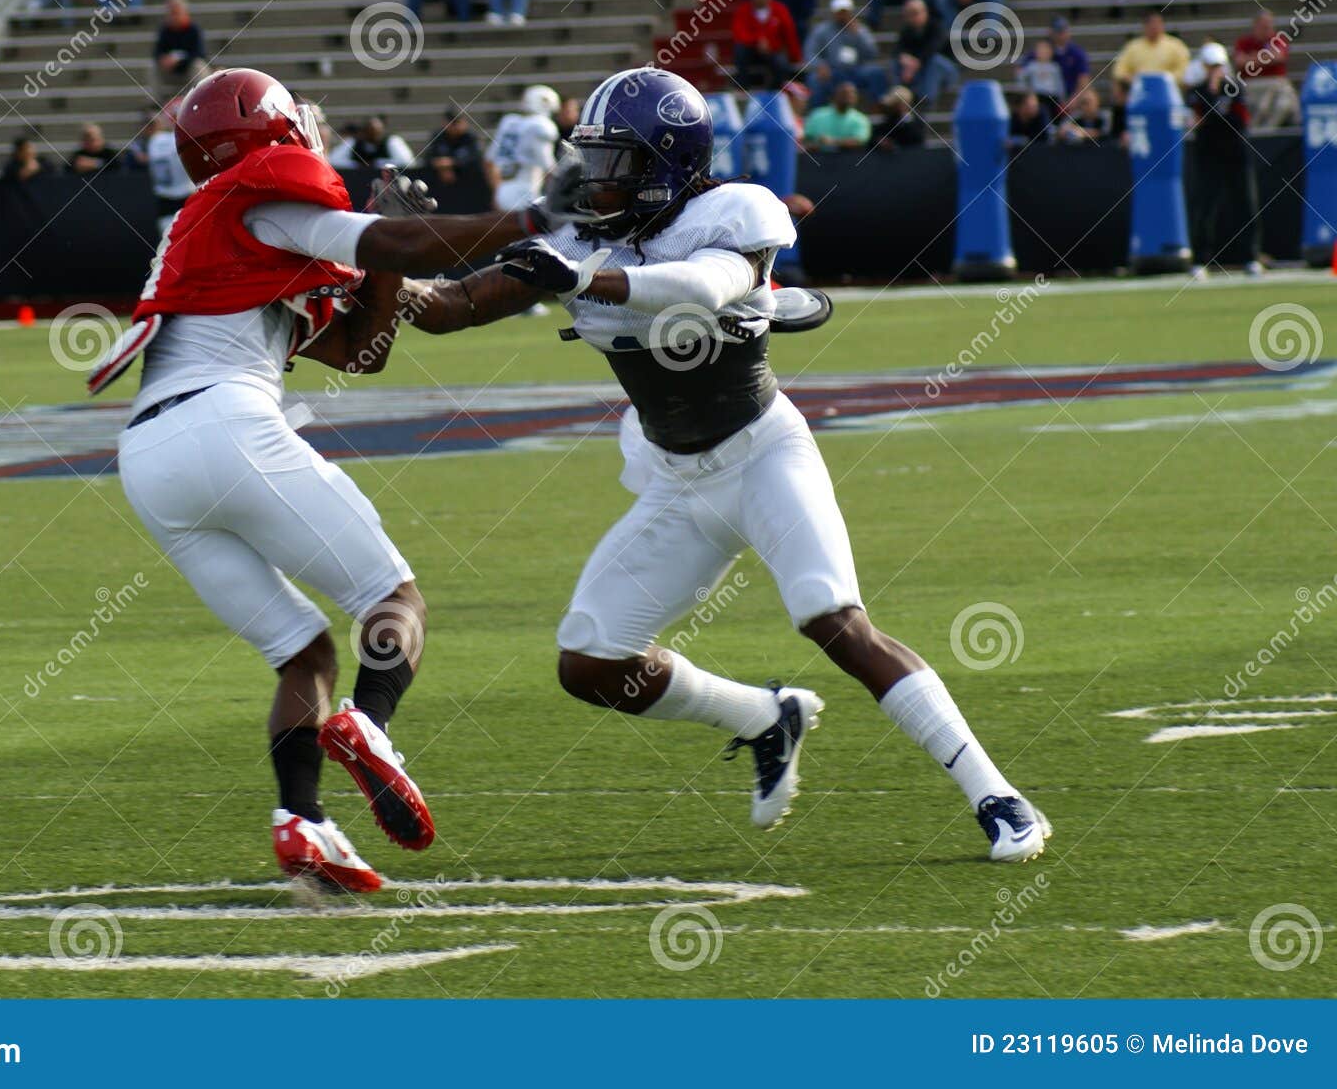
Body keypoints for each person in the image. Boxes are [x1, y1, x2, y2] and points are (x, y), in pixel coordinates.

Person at [405, 66, 1051, 863]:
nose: (597, 179)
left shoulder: (733, 212)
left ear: (666, 163)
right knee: (590, 661)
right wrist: (370, 269)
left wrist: (582, 278)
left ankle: (998, 794)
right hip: (677, 480)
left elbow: (702, 286)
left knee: (833, 619)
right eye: (594, 158)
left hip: (762, 455)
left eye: (618, 162)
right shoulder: (576, 235)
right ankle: (761, 716)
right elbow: (450, 309)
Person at [95, 67, 594, 890]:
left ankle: (302, 820)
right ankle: (372, 722)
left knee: (302, 652)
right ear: (278, 135)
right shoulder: (270, 199)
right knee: (391, 597)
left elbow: (370, 345)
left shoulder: (225, 229)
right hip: (226, 422)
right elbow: (395, 247)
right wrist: (537, 215)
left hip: (152, 458)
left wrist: (548, 259)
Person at [1189, 42, 1260, 276]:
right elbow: (1198, 121)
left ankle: (1250, 257)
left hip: (1235, 153)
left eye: (1217, 66)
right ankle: (1200, 260)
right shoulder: (1197, 90)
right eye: (1211, 66)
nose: (1214, 70)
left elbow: (1239, 122)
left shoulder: (1236, 87)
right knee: (1205, 207)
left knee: (1245, 205)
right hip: (1209, 154)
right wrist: (1212, 94)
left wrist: (1215, 114)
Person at [487, 84, 559, 210]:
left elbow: (489, 161)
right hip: (525, 191)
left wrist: (497, 192)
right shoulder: (540, 125)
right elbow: (549, 168)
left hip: (503, 190)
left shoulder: (509, 122)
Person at [803, 0, 881, 100]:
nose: (842, 15)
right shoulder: (821, 30)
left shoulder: (860, 30)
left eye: (845, 12)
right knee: (815, 79)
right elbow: (810, 52)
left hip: (855, 70)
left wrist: (858, 35)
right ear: (833, 13)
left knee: (875, 72)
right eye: (839, 12)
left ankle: (877, 104)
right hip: (832, 71)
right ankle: (817, 112)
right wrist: (820, 65)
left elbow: (872, 53)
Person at [1234, 10, 1298, 130]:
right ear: (1256, 25)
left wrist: (1253, 57)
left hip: (1277, 84)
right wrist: (1267, 56)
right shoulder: (1244, 42)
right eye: (1264, 26)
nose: (1268, 28)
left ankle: (1267, 130)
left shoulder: (1278, 39)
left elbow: (1279, 57)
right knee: (1263, 104)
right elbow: (1240, 62)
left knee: (1285, 103)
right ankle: (1257, 131)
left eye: (1270, 25)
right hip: (1253, 84)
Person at [733, 0, 802, 91]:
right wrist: (757, 40)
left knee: (781, 63)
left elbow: (789, 34)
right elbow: (739, 34)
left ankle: (775, 91)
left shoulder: (780, 9)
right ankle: (743, 89)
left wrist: (796, 56)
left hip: (773, 50)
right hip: (751, 50)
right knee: (740, 52)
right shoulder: (743, 10)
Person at [892, 0, 958, 104]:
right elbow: (898, 50)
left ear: (924, 11)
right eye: (908, 14)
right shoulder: (907, 31)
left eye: (915, 13)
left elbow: (931, 50)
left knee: (935, 61)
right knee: (897, 63)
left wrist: (915, 63)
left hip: (947, 72)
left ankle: (926, 101)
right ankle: (899, 99)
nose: (912, 17)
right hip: (919, 71)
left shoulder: (937, 27)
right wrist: (904, 59)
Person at [146, 105, 193, 238]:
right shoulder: (176, 140)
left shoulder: (156, 141)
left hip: (166, 197)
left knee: (169, 244)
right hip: (182, 194)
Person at [152, 0, 209, 102]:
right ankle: (155, 103)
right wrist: (164, 59)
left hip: (188, 70)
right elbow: (157, 52)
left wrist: (180, 60)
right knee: (153, 67)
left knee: (199, 66)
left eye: (176, 12)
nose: (174, 16)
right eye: (171, 13)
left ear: (184, 13)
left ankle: (200, 100)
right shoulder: (165, 30)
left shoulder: (193, 30)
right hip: (171, 72)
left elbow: (200, 54)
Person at [1113, 11, 1189, 85]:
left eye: (1158, 23)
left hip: (1167, 89)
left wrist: (1166, 79)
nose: (1154, 27)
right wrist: (1133, 79)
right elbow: (1119, 71)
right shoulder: (1132, 46)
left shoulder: (1175, 45)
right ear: (1145, 26)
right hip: (1139, 89)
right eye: (1151, 24)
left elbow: (1184, 69)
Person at [422, 108, 486, 185]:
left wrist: (451, 163)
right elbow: (428, 158)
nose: (455, 126)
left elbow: (475, 158)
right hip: (438, 179)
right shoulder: (438, 136)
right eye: (452, 123)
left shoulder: (471, 137)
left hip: (467, 179)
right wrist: (443, 168)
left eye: (457, 122)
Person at [803, 81, 872, 151]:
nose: (848, 96)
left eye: (852, 93)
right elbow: (806, 139)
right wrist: (816, 144)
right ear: (835, 95)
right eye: (844, 93)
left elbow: (859, 141)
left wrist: (833, 141)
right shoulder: (817, 115)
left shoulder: (861, 119)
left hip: (850, 160)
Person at [1018, 38, 1066, 114]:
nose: (1043, 52)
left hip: (1052, 96)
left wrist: (1062, 98)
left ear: (1051, 52)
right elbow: (1022, 78)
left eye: (1045, 50)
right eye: (1040, 50)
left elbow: (1059, 83)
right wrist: (1027, 92)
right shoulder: (1032, 66)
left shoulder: (1054, 67)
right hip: (1037, 96)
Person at [346, 116, 415, 168]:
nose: (373, 134)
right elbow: (336, 161)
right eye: (370, 131)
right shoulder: (354, 142)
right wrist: (357, 165)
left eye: (376, 131)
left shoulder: (392, 141)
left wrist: (379, 163)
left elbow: (407, 162)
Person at [1049, 17, 1090, 100]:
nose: (1061, 35)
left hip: (1072, 97)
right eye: (1059, 32)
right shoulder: (1045, 50)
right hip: (1048, 97)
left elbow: (1083, 81)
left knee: (1088, 96)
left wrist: (1071, 103)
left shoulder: (1077, 53)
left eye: (1064, 31)